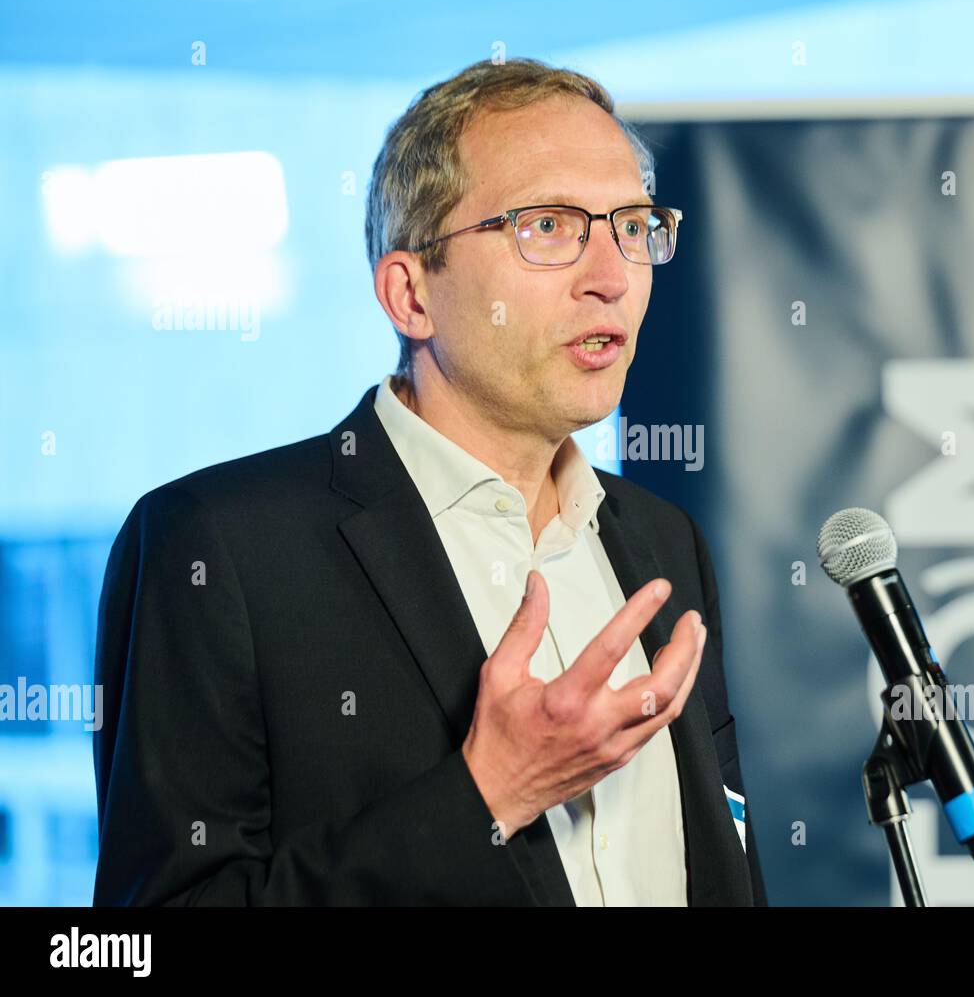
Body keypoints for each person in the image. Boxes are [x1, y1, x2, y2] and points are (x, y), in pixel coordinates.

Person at [92, 57, 765, 906]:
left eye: (632, 226)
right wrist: (490, 793)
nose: (613, 276)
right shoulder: (216, 546)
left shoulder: (664, 536)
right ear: (410, 295)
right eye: (550, 226)